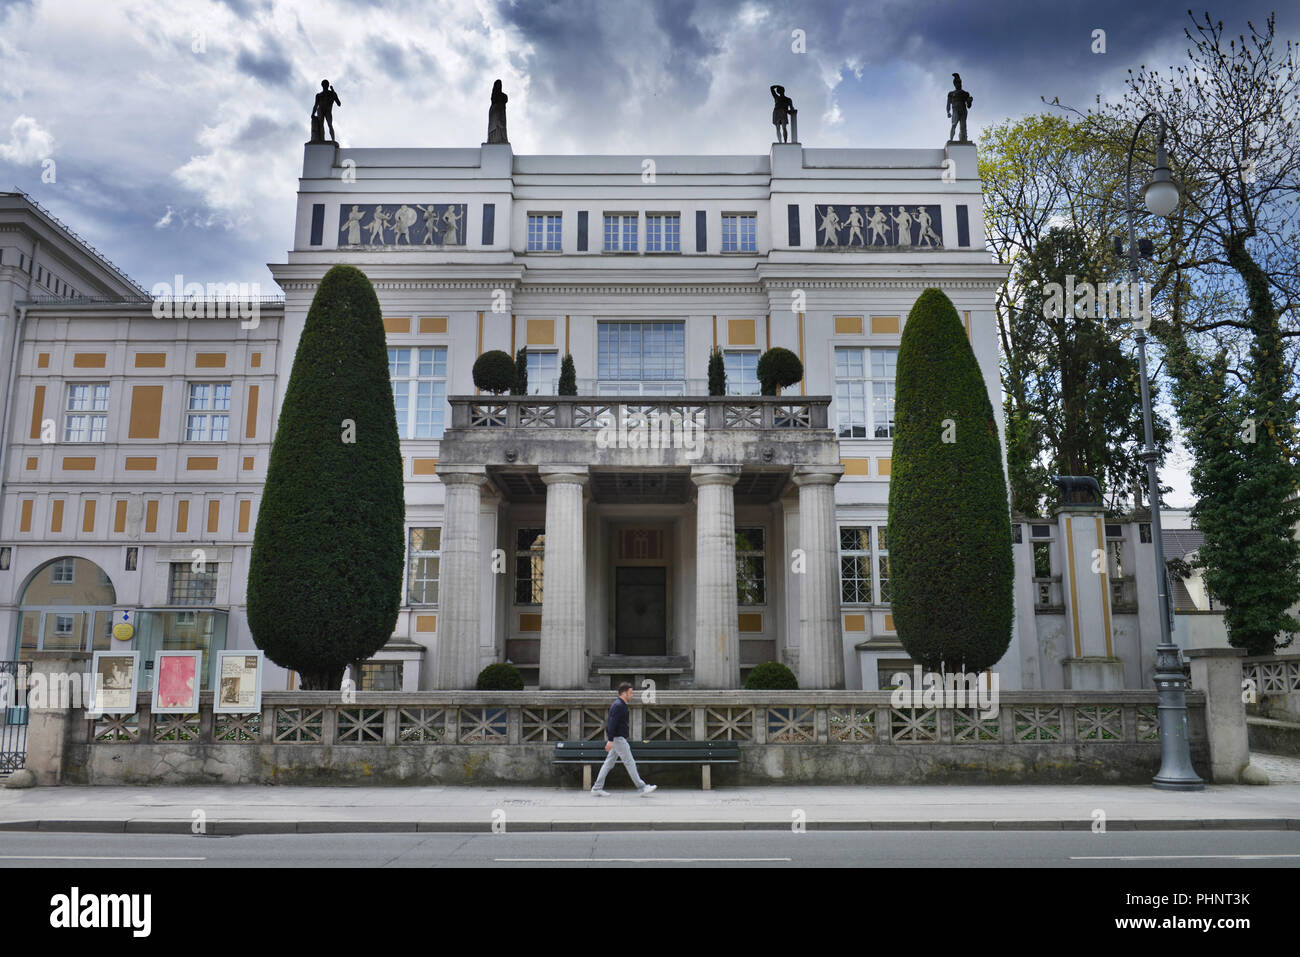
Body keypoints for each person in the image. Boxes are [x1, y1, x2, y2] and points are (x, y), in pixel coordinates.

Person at [591, 682, 657, 796]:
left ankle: (597, 788)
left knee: (608, 763)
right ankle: (642, 787)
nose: (632, 695)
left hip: (616, 739)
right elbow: (611, 724)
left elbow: (611, 724)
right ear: (624, 693)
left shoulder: (619, 705)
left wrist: (611, 740)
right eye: (630, 693)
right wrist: (611, 740)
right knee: (630, 763)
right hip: (618, 739)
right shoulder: (619, 706)